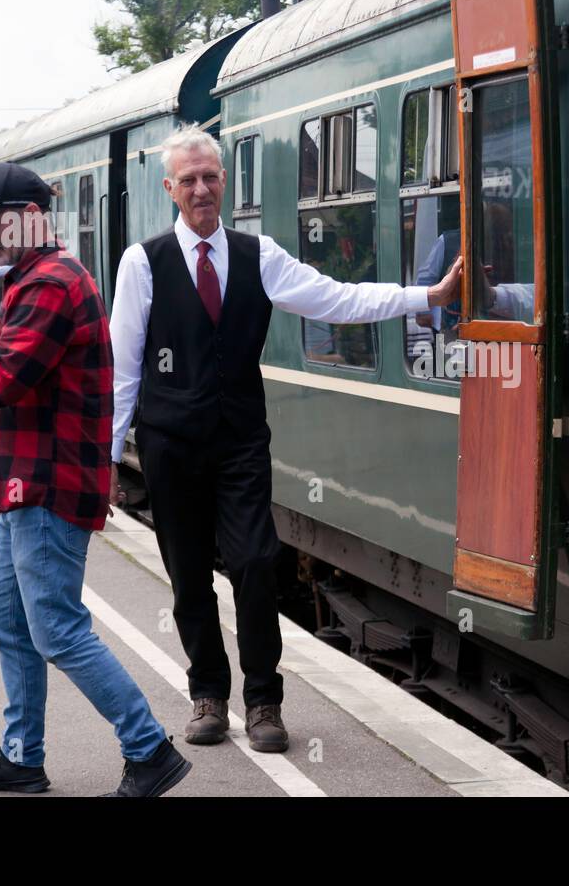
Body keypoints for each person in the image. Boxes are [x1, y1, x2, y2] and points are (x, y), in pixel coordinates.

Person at [109, 125, 461, 751]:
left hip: (240, 440)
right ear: (169, 188)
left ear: (224, 181)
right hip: (168, 444)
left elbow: (336, 300)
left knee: (253, 563)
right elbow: (124, 366)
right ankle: (208, 695)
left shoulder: (258, 255)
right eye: (187, 179)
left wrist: (425, 296)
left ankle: (264, 702)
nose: (200, 189)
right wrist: (107, 456)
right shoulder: (144, 262)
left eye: (210, 176)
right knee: (189, 575)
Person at [0, 162, 190, 797]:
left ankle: (148, 749)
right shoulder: (37, 277)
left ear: (29, 218)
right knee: (7, 617)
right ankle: (21, 755)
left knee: (55, 624)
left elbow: (2, 384)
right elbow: (14, 379)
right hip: (27, 478)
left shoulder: (49, 283)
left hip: (47, 482)